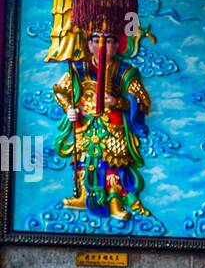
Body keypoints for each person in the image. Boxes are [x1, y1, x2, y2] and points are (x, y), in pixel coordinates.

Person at [53, 29, 151, 221]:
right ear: (88, 45)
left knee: (112, 163)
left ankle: (115, 202)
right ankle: (83, 196)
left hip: (113, 125)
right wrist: (69, 109)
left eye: (107, 41)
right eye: (96, 40)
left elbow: (143, 101)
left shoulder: (124, 71)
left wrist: (118, 103)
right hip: (86, 123)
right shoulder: (80, 69)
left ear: (116, 46)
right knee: (84, 160)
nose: (101, 46)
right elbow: (60, 91)